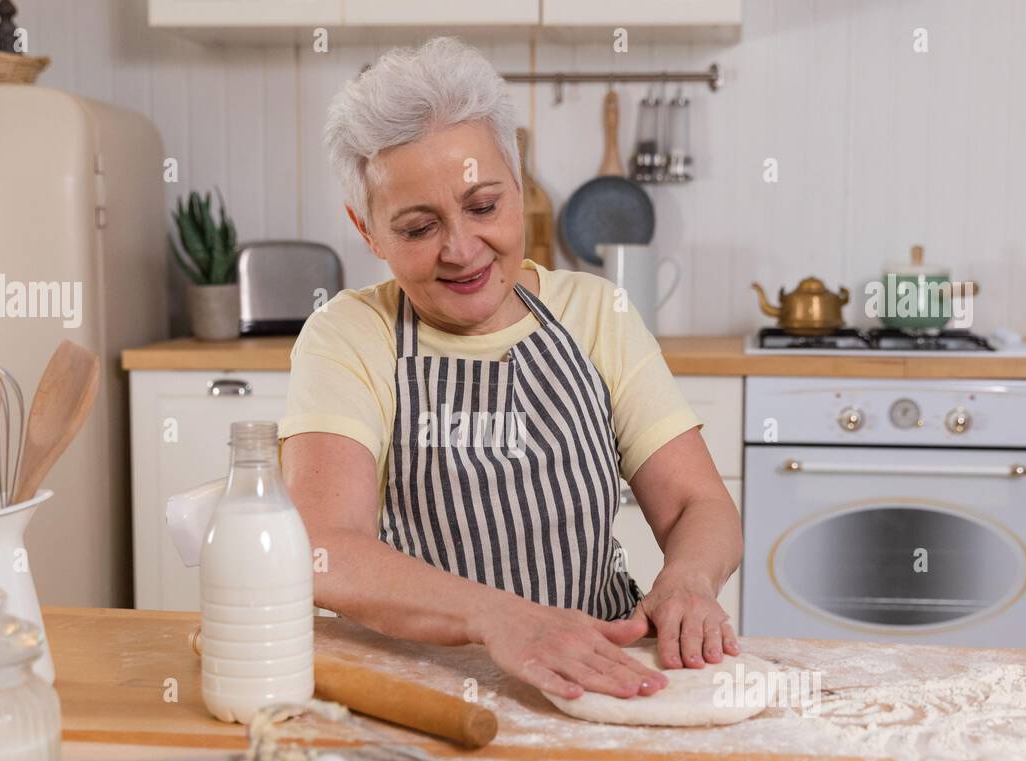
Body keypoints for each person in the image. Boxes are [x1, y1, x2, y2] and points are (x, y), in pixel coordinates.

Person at [279, 37, 742, 702]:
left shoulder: (596, 314)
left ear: (519, 186)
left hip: (604, 676)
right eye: (417, 228)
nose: (462, 250)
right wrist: (500, 620)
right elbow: (323, 549)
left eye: (484, 206)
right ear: (368, 230)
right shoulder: (349, 336)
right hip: (428, 690)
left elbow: (701, 505)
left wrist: (689, 581)